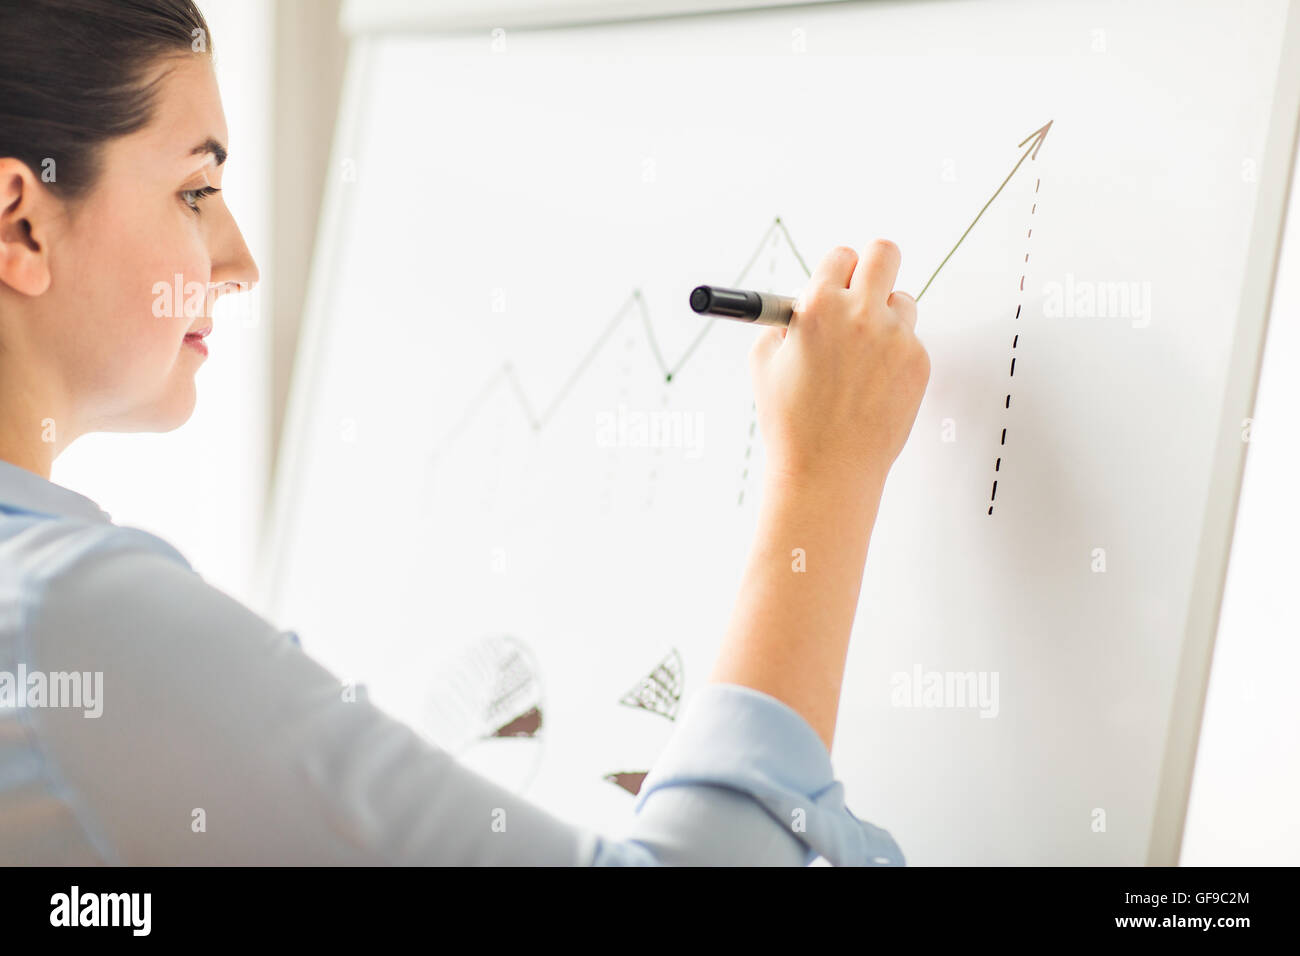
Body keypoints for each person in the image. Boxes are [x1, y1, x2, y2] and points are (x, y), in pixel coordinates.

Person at [0, 0, 930, 865]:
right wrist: (822, 479)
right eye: (196, 190)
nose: (238, 262)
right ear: (21, 226)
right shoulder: (71, 617)